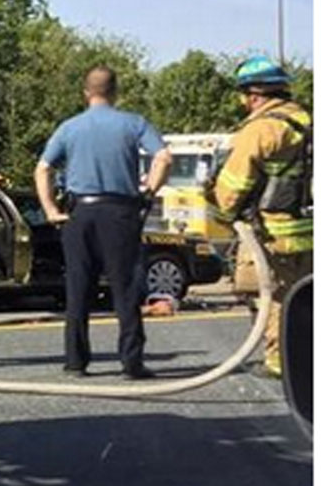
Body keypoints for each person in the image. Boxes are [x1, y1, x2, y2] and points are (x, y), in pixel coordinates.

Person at [34, 65, 172, 379]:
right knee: (125, 288)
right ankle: (131, 362)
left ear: (86, 93)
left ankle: (75, 360)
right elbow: (164, 157)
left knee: (78, 288)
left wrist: (51, 210)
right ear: (115, 92)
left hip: (79, 214)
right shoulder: (133, 123)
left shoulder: (69, 128)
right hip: (120, 213)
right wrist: (149, 191)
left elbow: (43, 168)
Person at [206, 55, 312, 379]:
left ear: (253, 96)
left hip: (274, 234)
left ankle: (280, 364)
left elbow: (233, 186)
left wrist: (219, 215)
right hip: (310, 230)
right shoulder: (307, 120)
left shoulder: (261, 129)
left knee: (276, 297)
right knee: (307, 296)